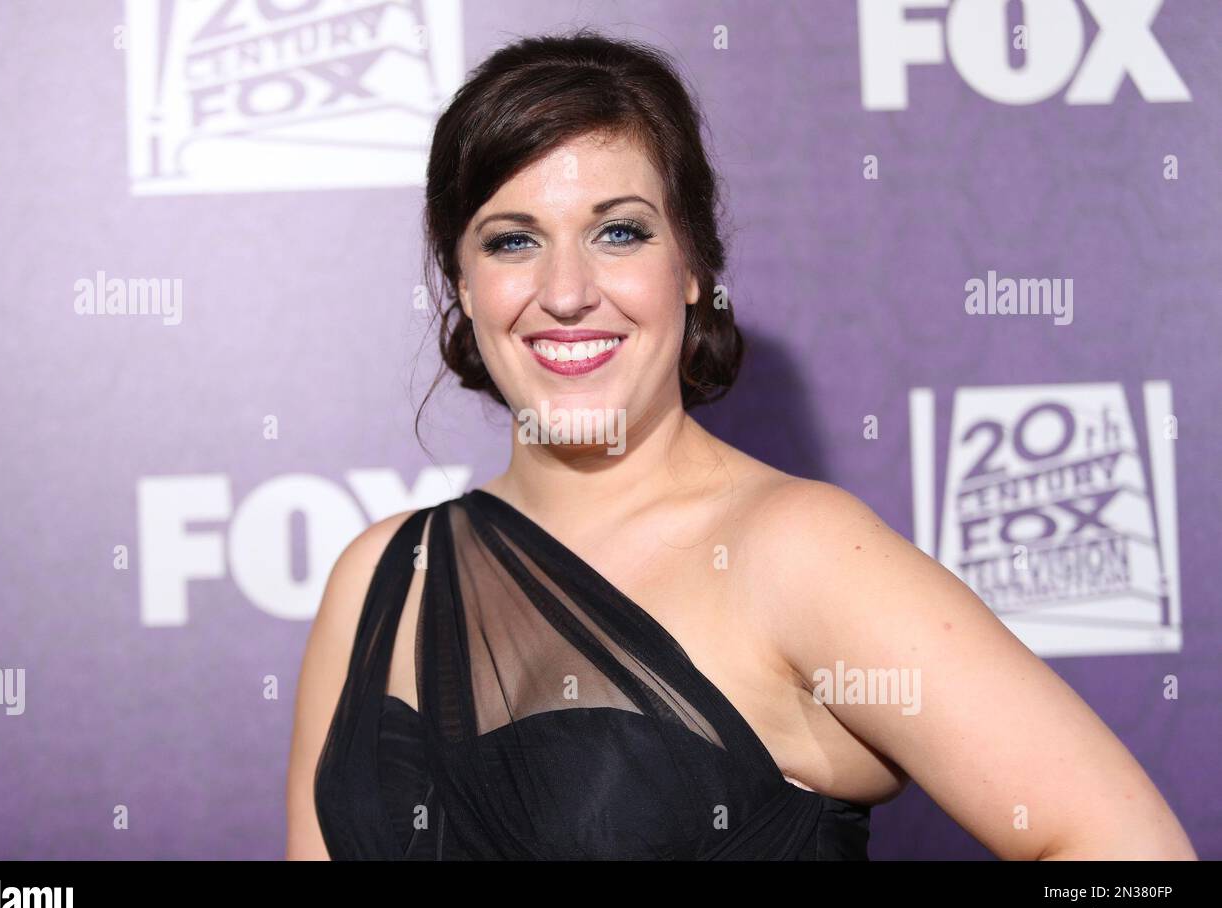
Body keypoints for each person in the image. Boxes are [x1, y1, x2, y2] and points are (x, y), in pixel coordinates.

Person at [285, 29, 1197, 860]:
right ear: (462, 281)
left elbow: (1128, 858)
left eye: (619, 232)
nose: (565, 291)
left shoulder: (791, 549)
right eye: (513, 240)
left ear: (691, 268)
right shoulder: (378, 576)